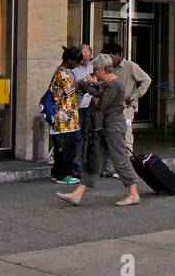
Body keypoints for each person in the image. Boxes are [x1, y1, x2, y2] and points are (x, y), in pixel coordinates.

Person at [57, 55, 141, 207]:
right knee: (94, 159)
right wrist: (95, 86)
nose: (94, 72)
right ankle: (77, 194)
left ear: (103, 69)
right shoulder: (107, 82)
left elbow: (101, 103)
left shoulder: (114, 84)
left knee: (120, 159)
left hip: (113, 127)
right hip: (102, 127)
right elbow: (101, 92)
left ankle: (134, 194)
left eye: (95, 69)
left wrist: (91, 89)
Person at [98, 41, 151, 176]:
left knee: (126, 136)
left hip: (126, 107)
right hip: (111, 107)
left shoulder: (130, 66)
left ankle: (126, 168)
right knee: (111, 135)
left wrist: (134, 96)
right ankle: (112, 167)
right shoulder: (108, 68)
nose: (109, 60)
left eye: (110, 56)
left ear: (117, 55)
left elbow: (146, 80)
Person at [48, 46, 83, 185]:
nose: (77, 65)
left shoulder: (61, 72)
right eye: (76, 62)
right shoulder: (62, 74)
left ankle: (57, 172)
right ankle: (63, 174)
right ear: (69, 60)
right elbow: (70, 90)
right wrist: (82, 82)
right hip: (64, 119)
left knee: (61, 148)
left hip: (64, 118)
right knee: (67, 148)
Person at [70, 42, 93, 175]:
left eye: (88, 58)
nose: (85, 61)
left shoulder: (93, 67)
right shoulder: (73, 70)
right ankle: (76, 163)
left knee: (92, 134)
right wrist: (81, 83)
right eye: (83, 59)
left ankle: (92, 161)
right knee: (77, 136)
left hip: (92, 105)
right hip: (78, 105)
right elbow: (70, 88)